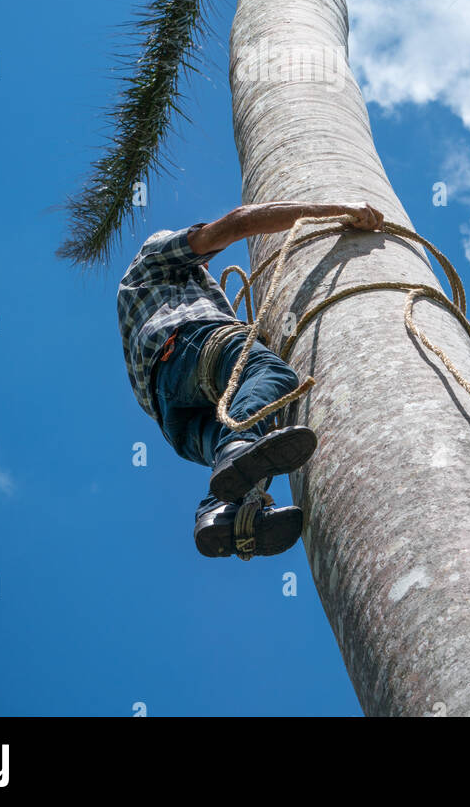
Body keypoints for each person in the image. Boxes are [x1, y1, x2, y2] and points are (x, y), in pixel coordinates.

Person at [117, 199, 385, 558]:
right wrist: (339, 210)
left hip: (174, 418)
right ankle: (236, 448)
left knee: (243, 455)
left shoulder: (137, 305)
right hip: (187, 348)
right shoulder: (155, 256)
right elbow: (236, 224)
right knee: (270, 375)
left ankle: (222, 514)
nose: (207, 261)